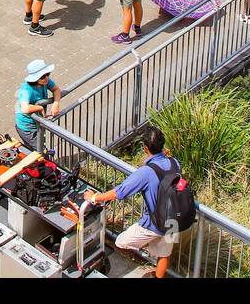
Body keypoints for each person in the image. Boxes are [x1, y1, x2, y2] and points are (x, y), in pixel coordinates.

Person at [83, 126, 179, 278]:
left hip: (154, 223)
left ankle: (149, 246)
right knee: (164, 255)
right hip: (173, 218)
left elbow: (119, 192)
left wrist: (94, 197)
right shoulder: (174, 162)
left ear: (145, 147)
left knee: (121, 241)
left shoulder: (146, 172)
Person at [14, 58, 61, 151]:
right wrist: (40, 108)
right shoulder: (26, 90)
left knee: (38, 148)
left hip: (37, 123)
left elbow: (56, 89)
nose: (47, 78)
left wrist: (56, 104)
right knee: (40, 151)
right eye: (43, 76)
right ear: (35, 78)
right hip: (27, 128)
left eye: (48, 74)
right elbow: (24, 109)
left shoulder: (45, 82)